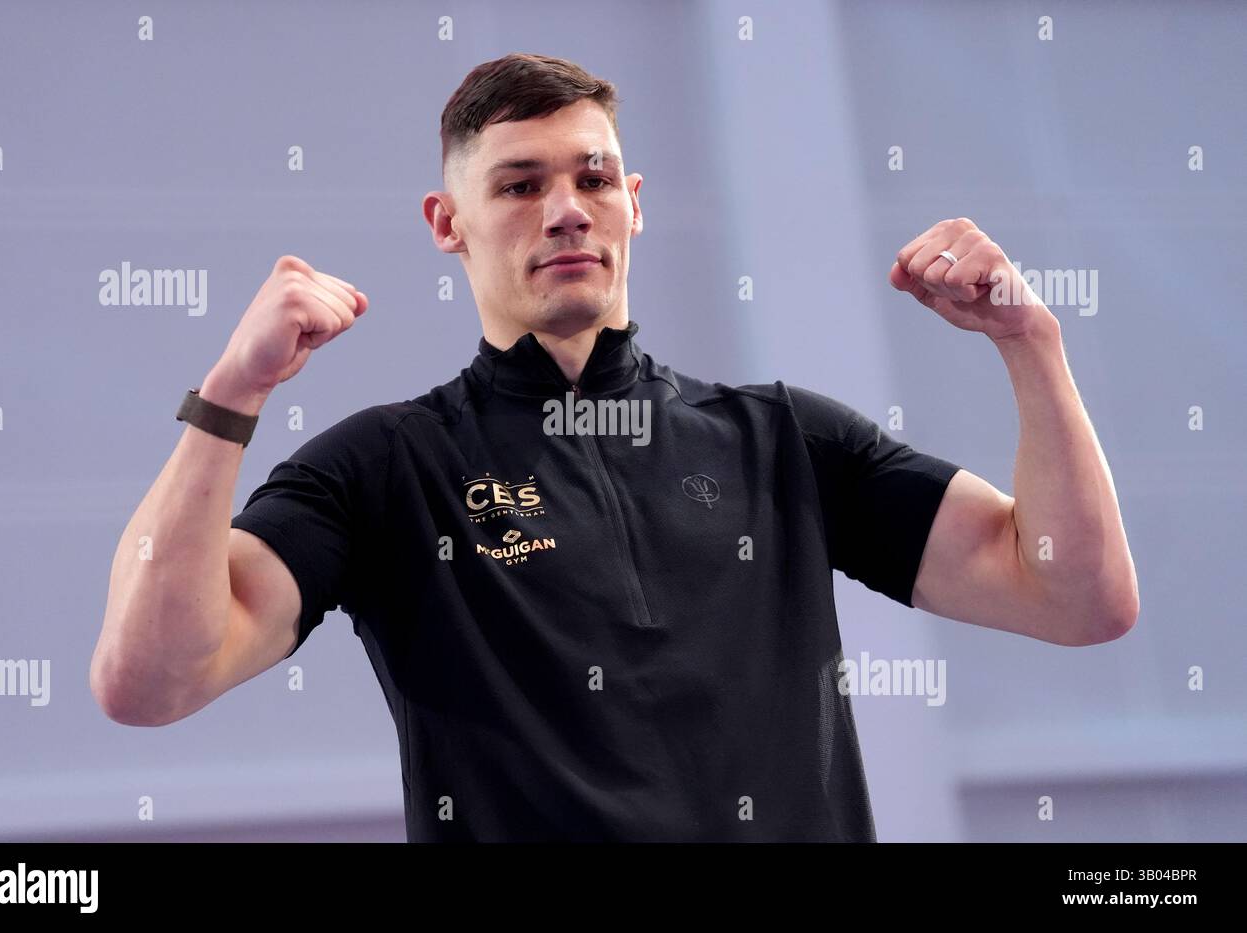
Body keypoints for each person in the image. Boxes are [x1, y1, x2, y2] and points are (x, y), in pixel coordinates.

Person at [91, 53, 1139, 842]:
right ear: (445, 222)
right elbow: (150, 680)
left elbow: (1074, 598)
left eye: (593, 178)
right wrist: (233, 391)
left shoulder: (785, 440)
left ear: (632, 205)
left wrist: (1030, 345)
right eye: (516, 185)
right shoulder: (379, 469)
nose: (564, 212)